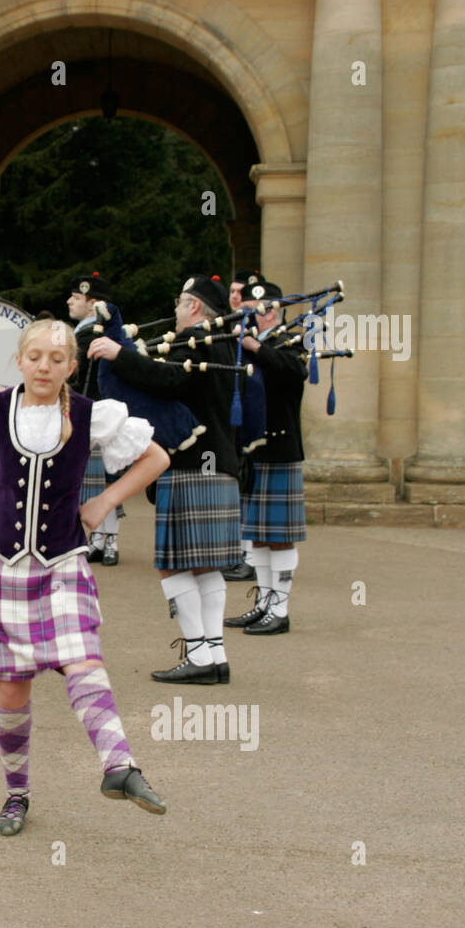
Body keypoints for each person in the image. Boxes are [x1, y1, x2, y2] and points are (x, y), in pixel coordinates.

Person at [0, 318, 171, 836]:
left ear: (71, 367)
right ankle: (17, 794)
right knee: (11, 694)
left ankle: (119, 767)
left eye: (57, 359)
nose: (44, 367)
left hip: (62, 561)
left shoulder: (90, 414)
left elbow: (156, 456)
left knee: (83, 660)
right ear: (20, 361)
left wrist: (103, 501)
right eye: (35, 357)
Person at [89, 274, 243, 685]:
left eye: (179, 302)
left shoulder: (200, 341)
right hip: (217, 465)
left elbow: (167, 380)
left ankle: (198, 653)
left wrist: (118, 355)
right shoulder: (221, 340)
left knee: (173, 566)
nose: (175, 310)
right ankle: (214, 653)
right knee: (205, 567)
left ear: (194, 306)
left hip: (191, 464)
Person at [224, 279, 305, 635]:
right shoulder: (247, 347)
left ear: (272, 310)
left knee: (280, 534)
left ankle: (281, 609)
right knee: (257, 533)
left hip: (281, 446)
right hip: (253, 449)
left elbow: (294, 372)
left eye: (254, 312)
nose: (250, 319)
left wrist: (255, 346)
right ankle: (263, 601)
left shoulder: (293, 339)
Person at [68, 273, 125, 566]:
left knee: (107, 477)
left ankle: (110, 539)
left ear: (93, 305)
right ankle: (100, 539)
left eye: (76, 297)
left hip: (101, 414)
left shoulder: (101, 335)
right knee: (94, 480)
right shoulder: (80, 333)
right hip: (88, 415)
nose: (69, 301)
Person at [221, 269, 266, 583]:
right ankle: (240, 553)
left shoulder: (256, 337)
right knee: (240, 488)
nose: (237, 298)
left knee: (250, 489)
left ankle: (249, 556)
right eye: (235, 292)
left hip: (257, 425)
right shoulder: (230, 329)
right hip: (237, 421)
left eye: (244, 294)